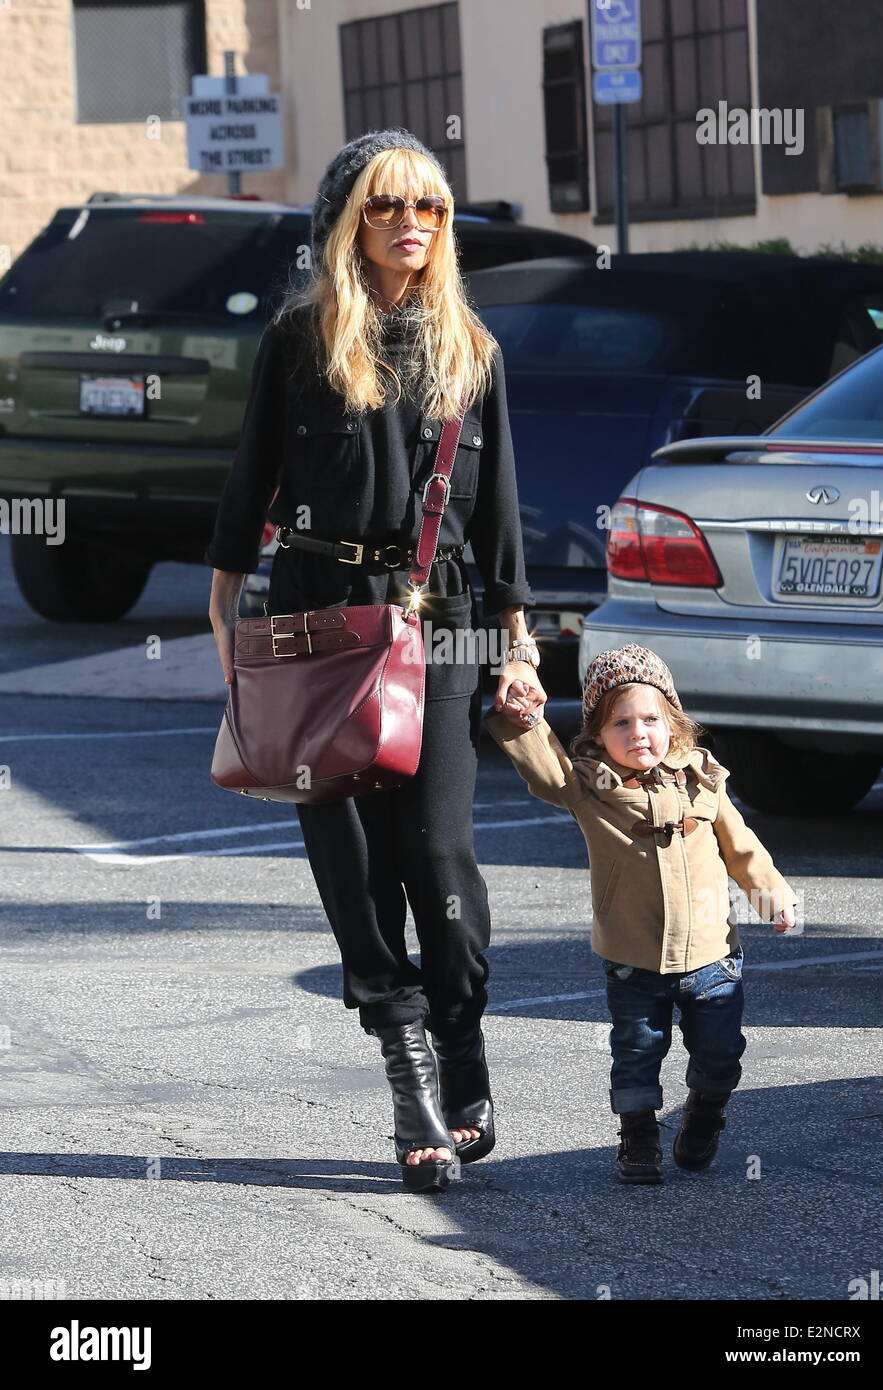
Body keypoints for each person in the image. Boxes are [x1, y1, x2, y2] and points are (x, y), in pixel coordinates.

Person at [205, 128, 546, 1193]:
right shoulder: (301, 344)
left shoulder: (472, 352)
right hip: (318, 621)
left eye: (431, 209)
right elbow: (247, 480)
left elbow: (499, 522)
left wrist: (517, 640)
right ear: (351, 219)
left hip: (440, 620)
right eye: (391, 206)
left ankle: (462, 1042)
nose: (414, 224)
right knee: (355, 869)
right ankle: (409, 1089)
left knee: (438, 856)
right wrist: (225, 612)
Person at [484, 643, 798, 1185]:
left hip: (712, 956)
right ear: (598, 736)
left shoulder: (703, 779)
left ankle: (705, 1112)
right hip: (634, 958)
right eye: (621, 723)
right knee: (636, 1051)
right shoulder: (587, 787)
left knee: (721, 1055)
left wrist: (770, 894)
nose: (638, 733)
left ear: (673, 723)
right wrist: (524, 717)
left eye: (651, 719)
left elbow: (740, 845)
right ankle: (639, 1137)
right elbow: (544, 768)